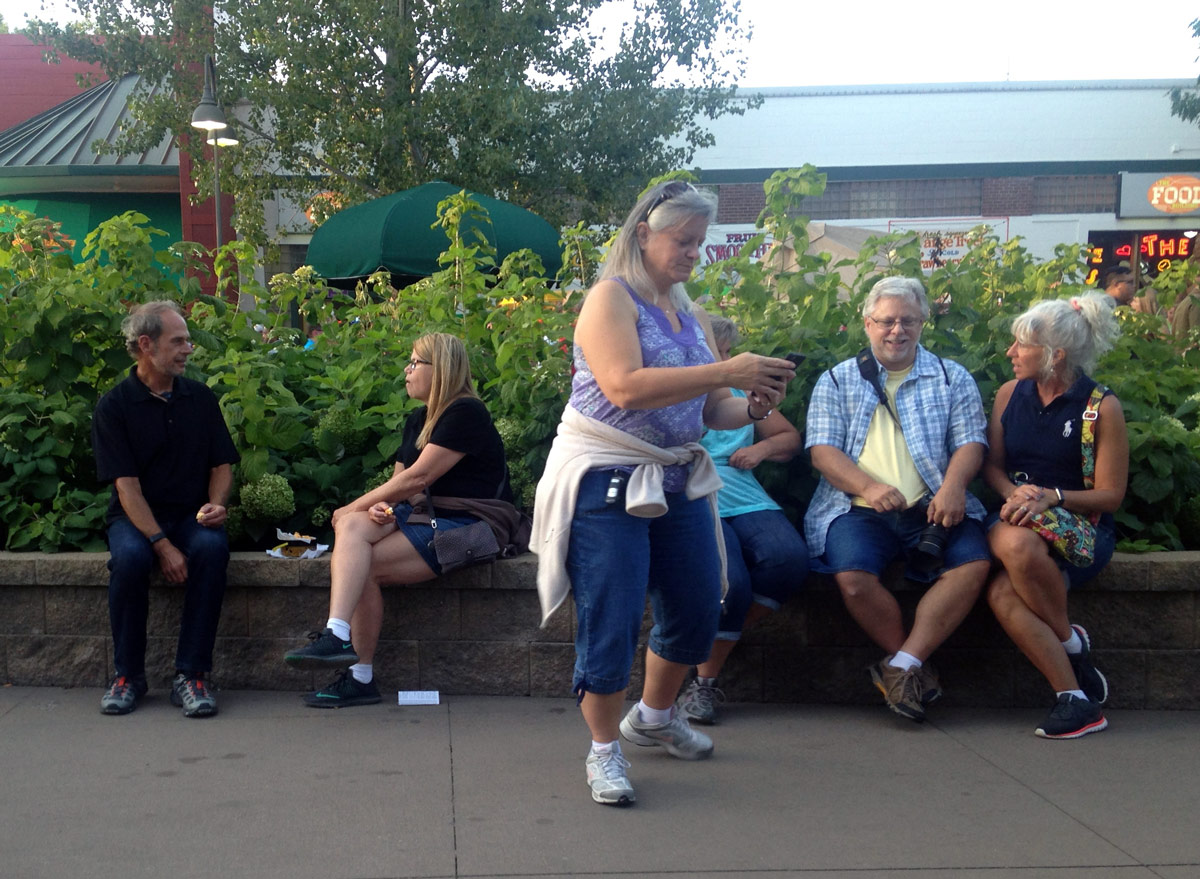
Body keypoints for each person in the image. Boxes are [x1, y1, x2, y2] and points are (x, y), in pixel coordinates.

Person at [531, 180, 796, 806]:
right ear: (643, 233)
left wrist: (751, 405)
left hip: (674, 478)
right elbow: (623, 387)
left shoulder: (688, 308)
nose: (693, 253)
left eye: (700, 243)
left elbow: (712, 410)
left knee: (702, 602)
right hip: (607, 479)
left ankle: (652, 717)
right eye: (684, 240)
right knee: (613, 617)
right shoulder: (608, 299)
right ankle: (603, 753)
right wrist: (727, 370)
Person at [283, 333, 526, 707]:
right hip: (426, 519)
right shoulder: (418, 419)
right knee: (353, 529)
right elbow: (401, 486)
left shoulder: (466, 413)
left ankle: (358, 673)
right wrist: (381, 509)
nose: (406, 371)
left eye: (414, 363)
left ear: (440, 368)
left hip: (477, 531)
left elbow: (419, 478)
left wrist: (351, 505)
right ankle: (338, 635)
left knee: (359, 560)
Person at [803, 276, 990, 723]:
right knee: (851, 577)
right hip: (857, 508)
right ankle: (910, 664)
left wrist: (952, 487)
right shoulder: (837, 380)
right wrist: (867, 487)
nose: (896, 330)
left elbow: (971, 442)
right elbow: (822, 452)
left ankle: (901, 667)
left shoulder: (951, 376)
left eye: (908, 320)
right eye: (886, 321)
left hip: (933, 505)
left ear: (923, 322)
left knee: (974, 564)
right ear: (867, 325)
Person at [983, 293, 1127, 739]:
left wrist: (1053, 496)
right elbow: (990, 466)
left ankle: (1070, 662)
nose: (1010, 353)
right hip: (1017, 515)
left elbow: (1110, 496)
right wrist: (1013, 491)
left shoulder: (1100, 407)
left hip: (1079, 531)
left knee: (1010, 564)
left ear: (1054, 354)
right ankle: (1075, 694)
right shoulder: (1009, 394)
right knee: (1012, 561)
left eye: (1020, 345)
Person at [92, 300, 240, 718]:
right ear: (145, 345)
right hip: (137, 519)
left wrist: (215, 504)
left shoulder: (200, 398)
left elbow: (222, 465)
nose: (188, 348)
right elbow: (127, 487)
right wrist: (162, 545)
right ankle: (128, 677)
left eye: (188, 340)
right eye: (178, 341)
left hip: (191, 514)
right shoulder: (115, 406)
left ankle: (191, 675)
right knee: (129, 559)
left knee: (211, 550)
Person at [677, 315, 809, 725]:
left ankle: (708, 644)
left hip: (744, 493)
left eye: (731, 351)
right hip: (698, 490)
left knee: (788, 559)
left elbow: (789, 438)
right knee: (730, 586)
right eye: (723, 351)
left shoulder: (738, 392)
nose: (731, 357)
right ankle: (703, 682)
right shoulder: (677, 390)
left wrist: (760, 451)